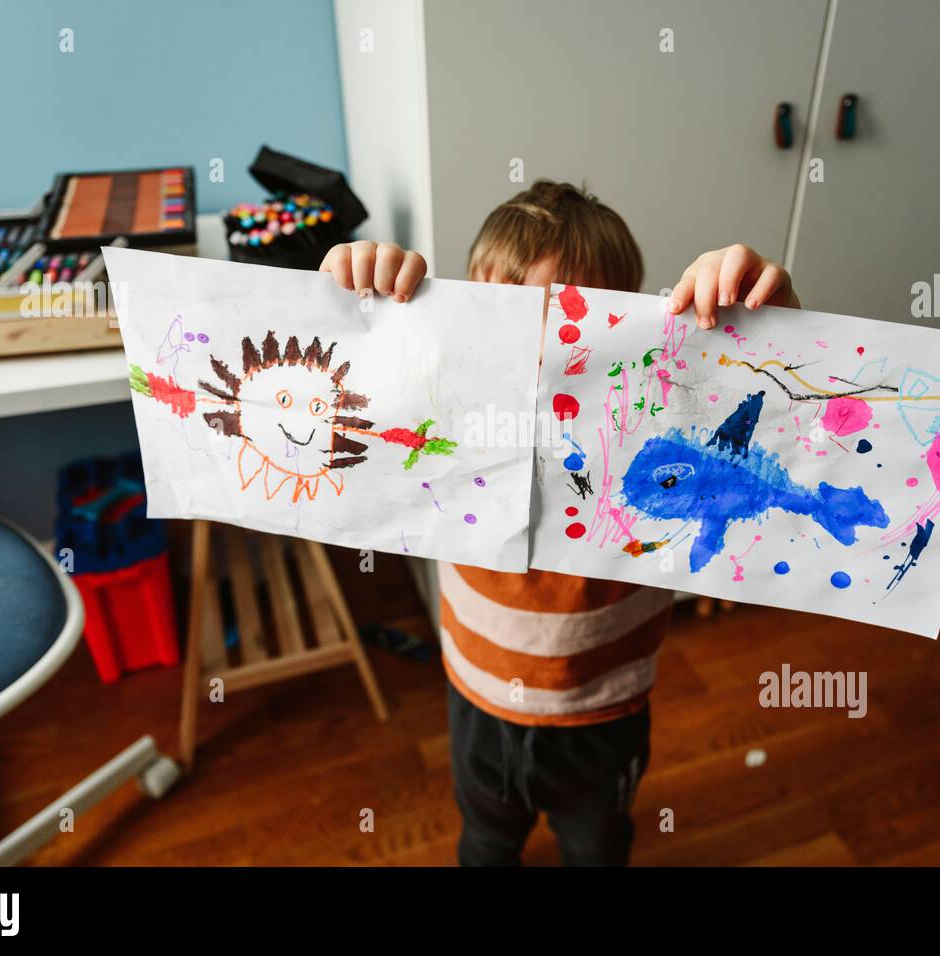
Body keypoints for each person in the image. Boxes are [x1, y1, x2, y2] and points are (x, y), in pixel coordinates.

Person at [319, 181, 799, 865]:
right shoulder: (451, 407)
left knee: (598, 850)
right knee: (486, 844)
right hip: (478, 702)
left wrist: (771, 320)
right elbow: (358, 394)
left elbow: (775, 427)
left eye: (573, 324)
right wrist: (358, 290)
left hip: (604, 712)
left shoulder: (654, 421)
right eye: (511, 318)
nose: (541, 353)